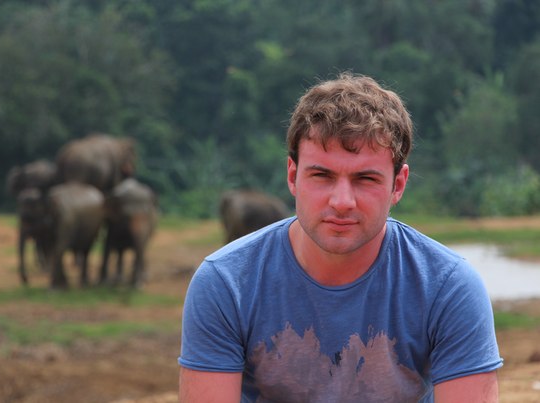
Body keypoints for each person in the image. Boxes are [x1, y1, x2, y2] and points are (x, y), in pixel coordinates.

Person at [178, 72, 503, 402]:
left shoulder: (448, 288)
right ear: (293, 176)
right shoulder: (226, 284)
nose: (342, 201)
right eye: (322, 175)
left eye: (365, 179)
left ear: (398, 185)